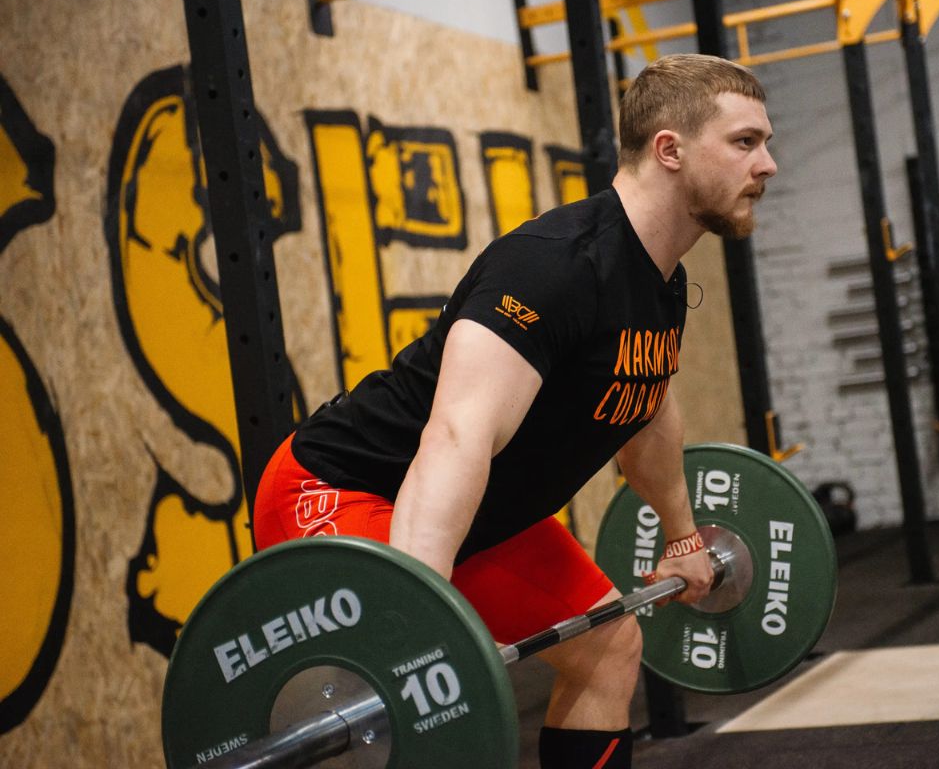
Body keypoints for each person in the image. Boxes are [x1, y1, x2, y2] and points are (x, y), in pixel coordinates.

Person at [253, 52, 777, 768]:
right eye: (745, 142)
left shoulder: (660, 281)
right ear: (670, 150)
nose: (767, 163)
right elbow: (457, 437)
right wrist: (413, 614)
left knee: (607, 643)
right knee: (434, 698)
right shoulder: (550, 267)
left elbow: (647, 409)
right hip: (345, 488)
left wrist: (683, 535)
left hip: (474, 511)